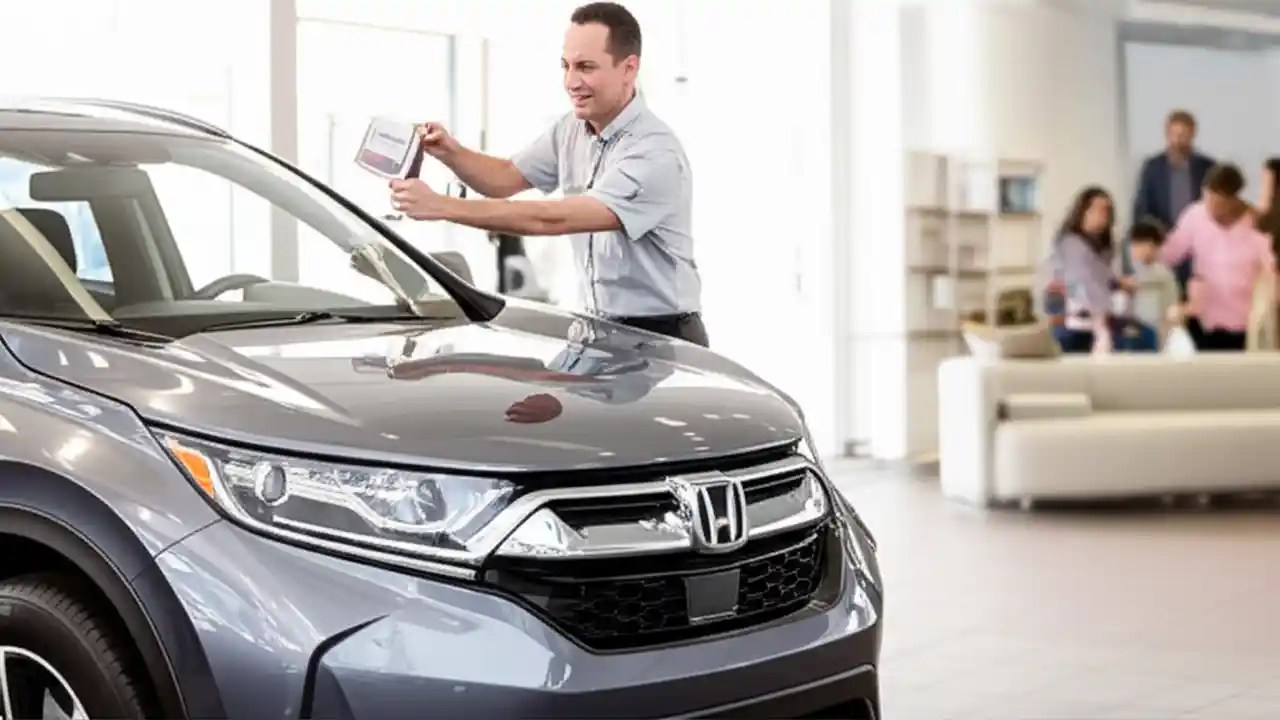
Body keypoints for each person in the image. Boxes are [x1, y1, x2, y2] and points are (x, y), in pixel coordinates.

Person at [386, 2, 707, 347]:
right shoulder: (571, 129)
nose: (571, 81)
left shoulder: (654, 152)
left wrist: (441, 206)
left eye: (585, 67)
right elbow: (505, 177)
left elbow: (552, 219)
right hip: (600, 328)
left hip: (664, 336)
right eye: (566, 66)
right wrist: (450, 151)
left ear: (629, 69)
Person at [1159, 163, 1277, 352]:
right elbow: (1169, 255)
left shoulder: (1257, 225)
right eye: (1208, 201)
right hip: (1205, 322)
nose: (1211, 210)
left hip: (1245, 325)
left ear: (1234, 199)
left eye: (1219, 204)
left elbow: (1272, 271)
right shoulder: (1195, 215)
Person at [1128, 110, 1216, 288]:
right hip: (1163, 246)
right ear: (1167, 134)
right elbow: (1142, 208)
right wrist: (1146, 242)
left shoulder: (1208, 168)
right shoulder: (1152, 168)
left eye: (1184, 135)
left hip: (1199, 249)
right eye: (1175, 134)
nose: (1179, 140)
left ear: (1193, 135)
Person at [1043, 186, 1119, 354]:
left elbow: (1102, 280)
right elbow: (1084, 282)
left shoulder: (1103, 248)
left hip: (1091, 318)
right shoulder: (1072, 243)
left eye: (1106, 210)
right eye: (1097, 209)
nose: (1102, 215)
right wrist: (1101, 322)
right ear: (1083, 212)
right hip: (1070, 321)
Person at [1119, 220, 1180, 352]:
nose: (1134, 249)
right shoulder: (1141, 271)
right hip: (1143, 329)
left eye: (1139, 244)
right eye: (1133, 244)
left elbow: (1132, 284)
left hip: (1159, 332)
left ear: (1155, 247)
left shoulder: (1161, 271)